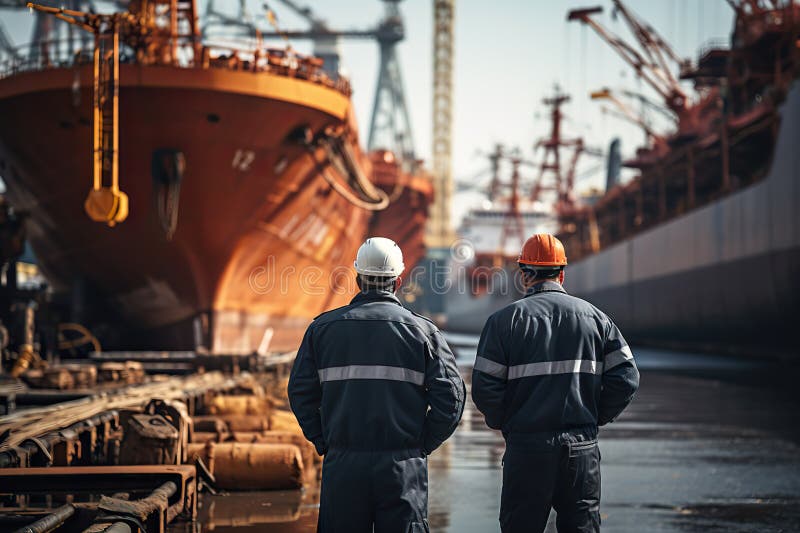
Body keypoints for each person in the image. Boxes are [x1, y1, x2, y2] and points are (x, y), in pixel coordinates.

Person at [288, 237, 465, 533]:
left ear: (358, 279)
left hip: (343, 464)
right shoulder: (424, 333)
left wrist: (324, 440)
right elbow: (452, 399)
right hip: (402, 467)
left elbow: (300, 393)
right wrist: (422, 444)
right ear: (398, 281)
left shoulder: (322, 330)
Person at [472, 233, 640, 533]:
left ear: (524, 275)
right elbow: (627, 378)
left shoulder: (503, 322)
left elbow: (485, 388)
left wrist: (507, 423)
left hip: (527, 447)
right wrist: (594, 417)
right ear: (562, 273)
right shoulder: (596, 318)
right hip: (581, 448)